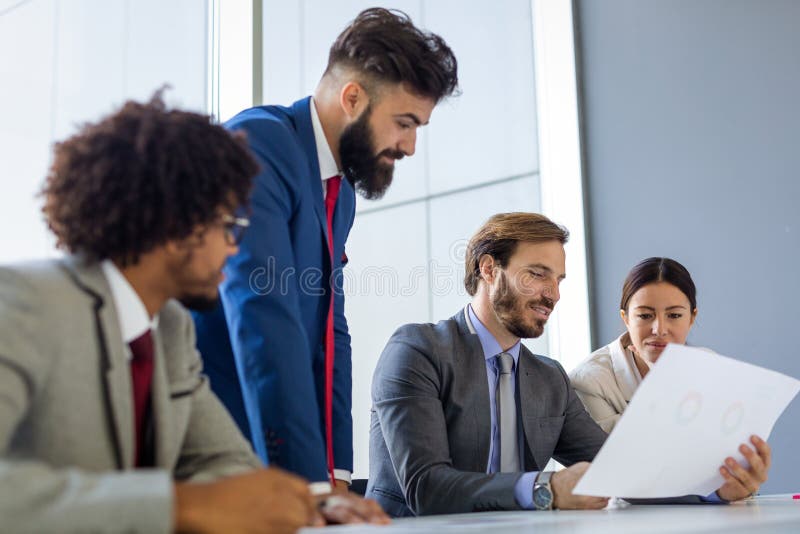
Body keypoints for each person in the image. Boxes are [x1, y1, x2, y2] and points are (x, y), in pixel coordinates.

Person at [0, 93, 387, 533]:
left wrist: (310, 503)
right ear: (173, 222)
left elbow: (225, 463)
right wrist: (177, 507)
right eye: (228, 224)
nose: (235, 246)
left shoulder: (170, 332)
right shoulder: (23, 303)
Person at [192, 7, 459, 490]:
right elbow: (263, 314)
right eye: (404, 122)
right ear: (353, 97)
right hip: (214, 437)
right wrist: (305, 483)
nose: (411, 146)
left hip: (277, 450)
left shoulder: (341, 193)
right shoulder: (257, 145)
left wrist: (335, 471)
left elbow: (330, 330)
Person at [366, 213, 611, 516]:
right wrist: (546, 488)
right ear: (489, 269)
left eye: (558, 280)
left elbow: (613, 467)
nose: (553, 295)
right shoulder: (417, 351)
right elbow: (425, 489)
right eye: (537, 274)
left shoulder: (550, 378)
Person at [570, 257, 771, 501]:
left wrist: (742, 478)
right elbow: (626, 475)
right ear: (625, 318)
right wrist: (661, 381)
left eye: (674, 315)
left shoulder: (710, 366)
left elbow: (723, 461)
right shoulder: (589, 380)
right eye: (645, 316)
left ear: (692, 317)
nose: (659, 329)